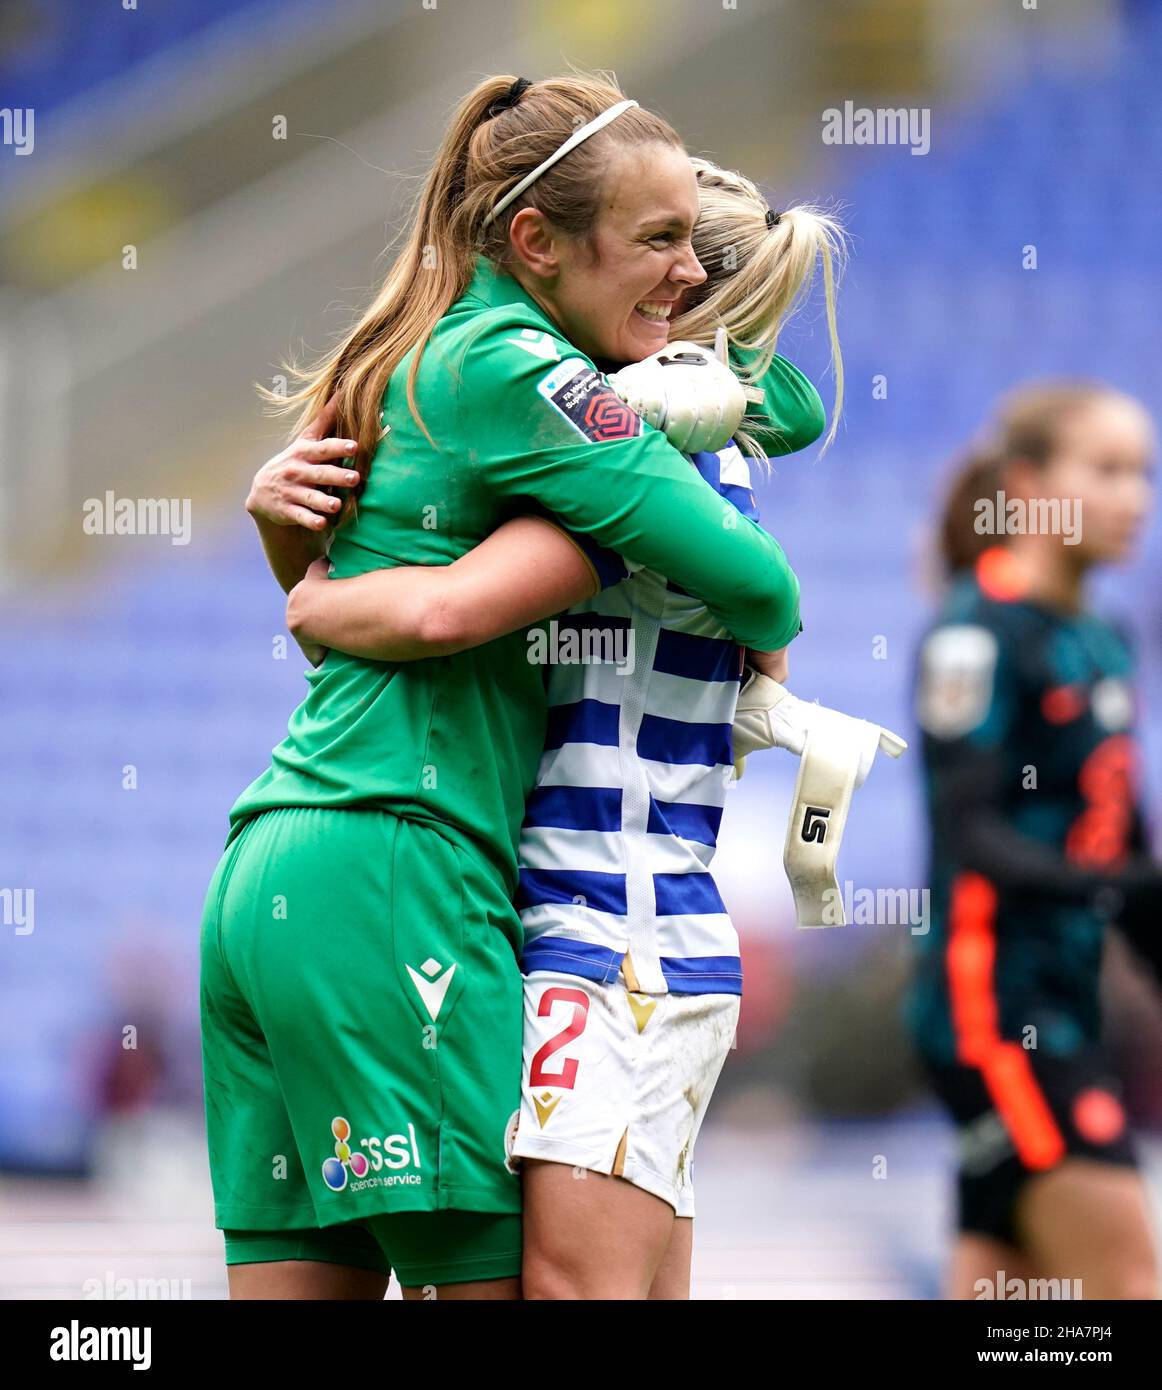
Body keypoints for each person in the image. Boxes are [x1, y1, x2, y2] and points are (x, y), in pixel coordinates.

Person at [202, 72, 801, 1300]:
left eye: (696, 244)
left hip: (270, 864)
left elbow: (362, 611)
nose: (682, 272)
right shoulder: (533, 378)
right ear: (537, 241)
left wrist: (298, 578)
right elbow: (760, 588)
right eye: (656, 239)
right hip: (402, 874)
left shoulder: (418, 345)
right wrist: (662, 428)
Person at [908, 382, 1162, 1299]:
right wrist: (1114, 889)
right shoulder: (978, 634)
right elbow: (971, 833)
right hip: (995, 1015)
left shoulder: (1104, 638)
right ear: (1026, 485)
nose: (1135, 497)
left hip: (1068, 1004)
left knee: (1009, 1298)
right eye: (1106, 470)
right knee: (1125, 1281)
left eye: (1143, 473)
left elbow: (1125, 841)